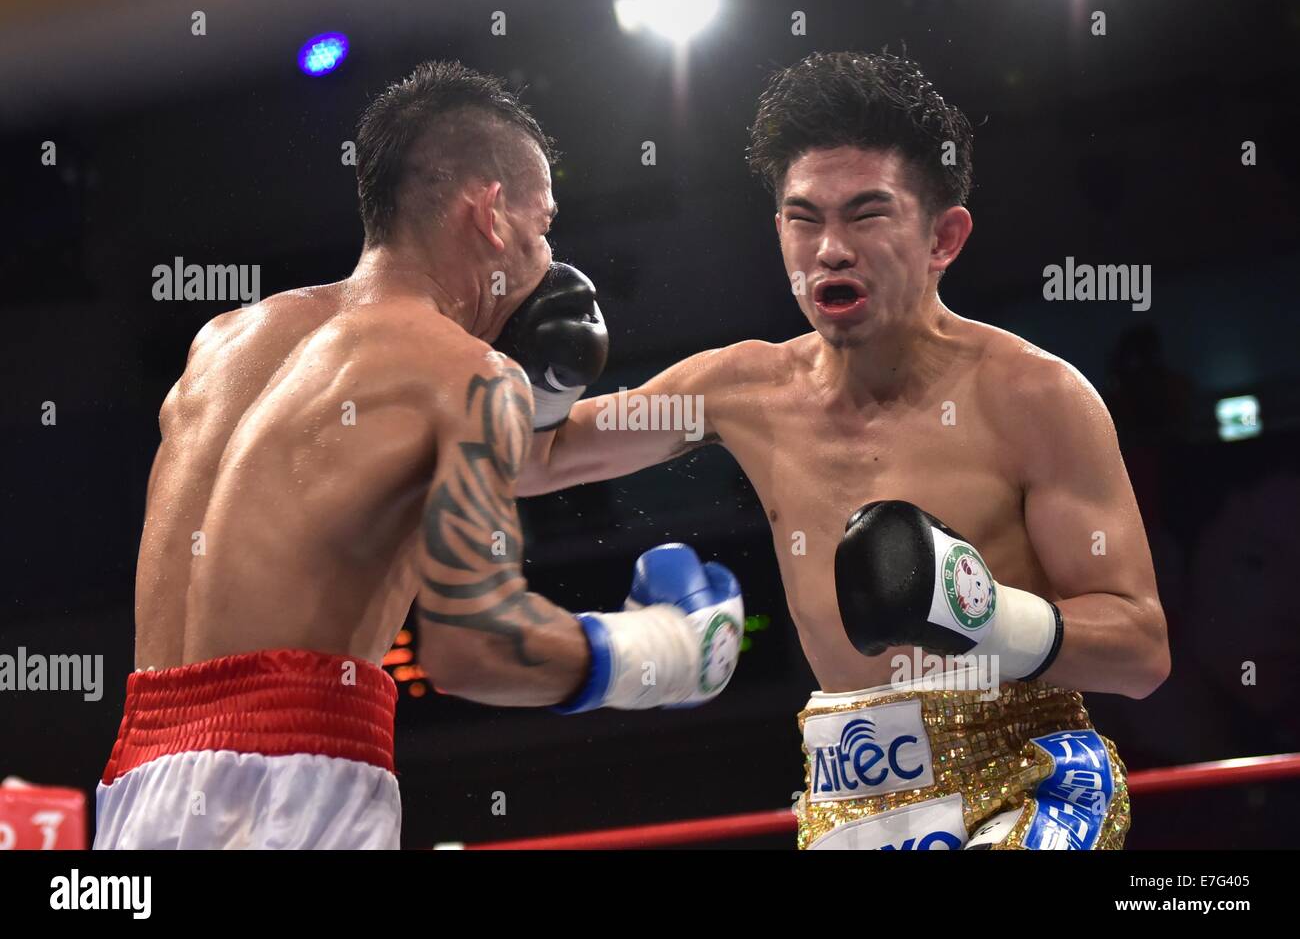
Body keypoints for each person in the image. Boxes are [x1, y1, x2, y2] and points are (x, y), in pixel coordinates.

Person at [517, 51, 1169, 849]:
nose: (829, 248)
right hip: (850, 802)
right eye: (803, 217)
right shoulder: (739, 389)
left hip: (1030, 784)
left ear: (944, 238)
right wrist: (540, 376)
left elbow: (1140, 651)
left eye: (866, 215)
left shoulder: (1037, 398)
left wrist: (985, 619)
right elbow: (533, 459)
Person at [94, 61, 744, 850]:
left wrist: (712, 405)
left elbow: (515, 457)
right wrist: (667, 656)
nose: (546, 260)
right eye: (542, 228)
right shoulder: (469, 375)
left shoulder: (224, 345)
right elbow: (472, 649)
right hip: (295, 787)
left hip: (136, 785)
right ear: (491, 213)